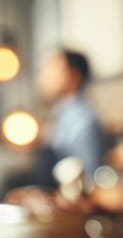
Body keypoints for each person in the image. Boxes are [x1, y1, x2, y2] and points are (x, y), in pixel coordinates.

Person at [34, 49, 106, 183]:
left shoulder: (84, 122)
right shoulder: (57, 115)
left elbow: (89, 179)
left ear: (73, 76)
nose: (42, 77)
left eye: (52, 69)